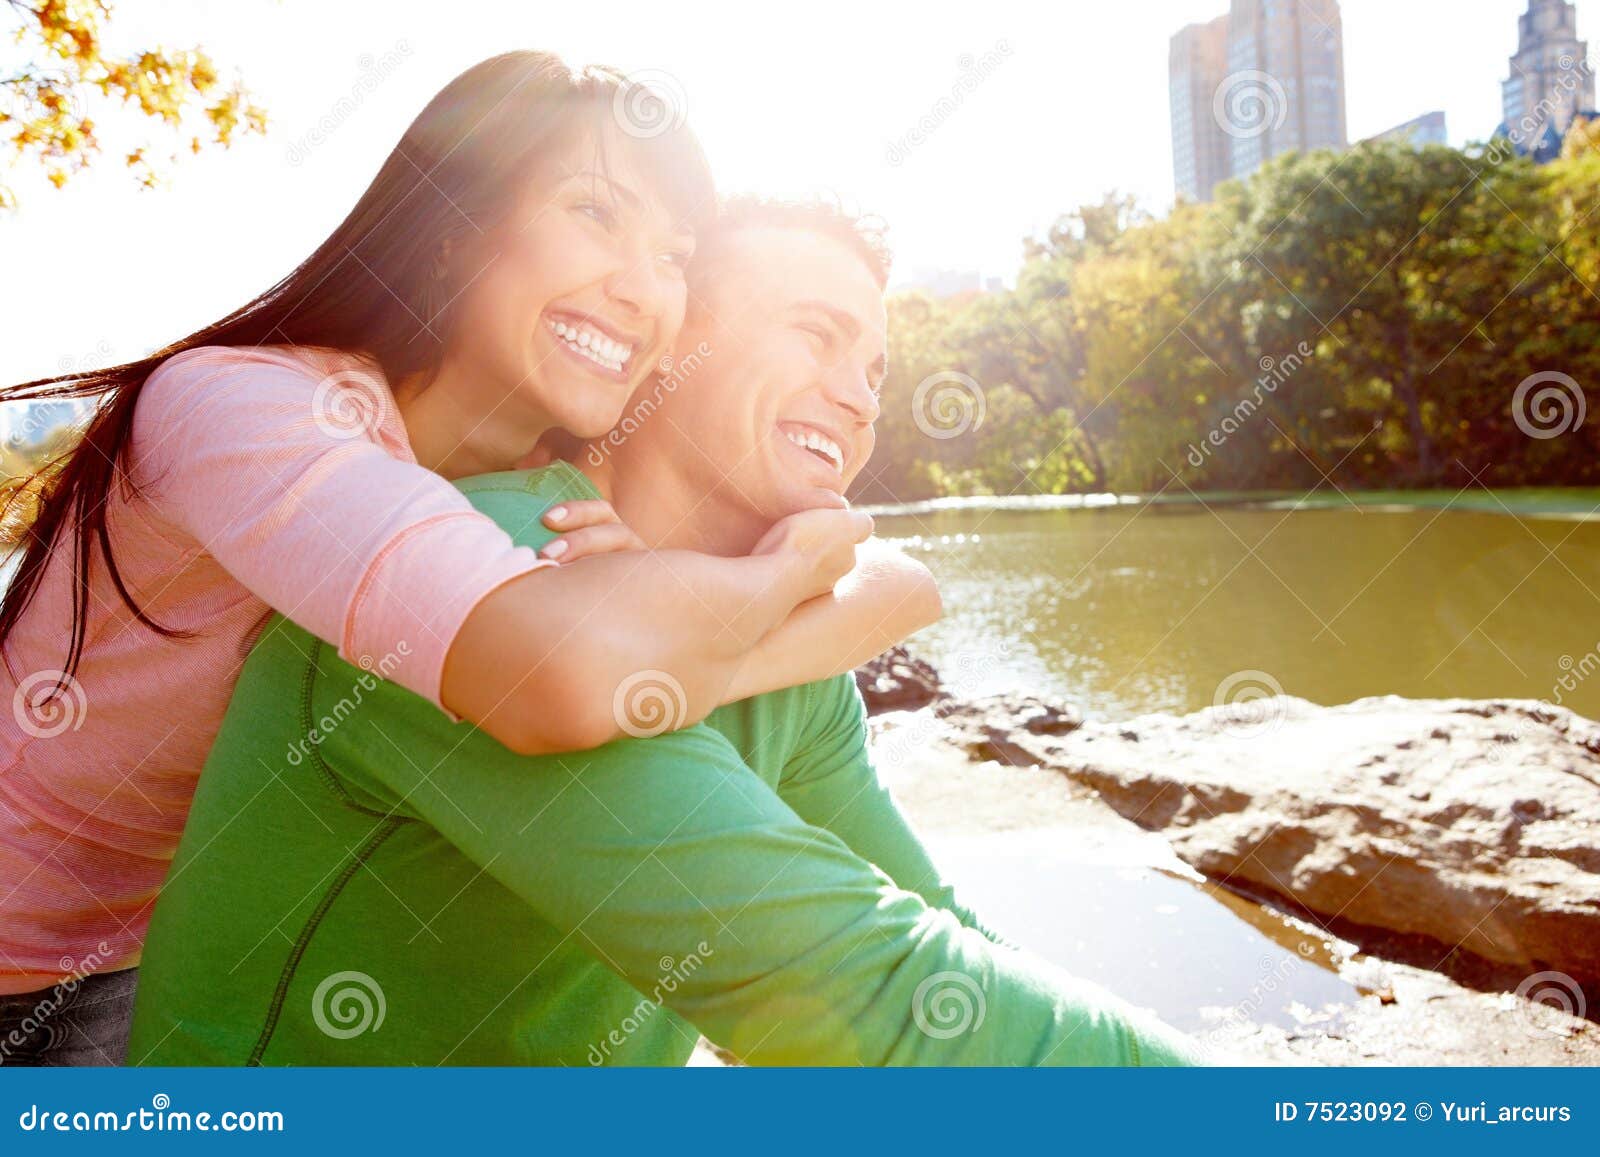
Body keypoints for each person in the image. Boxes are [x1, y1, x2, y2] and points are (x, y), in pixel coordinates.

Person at [0, 53, 930, 1064]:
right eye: (594, 212)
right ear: (451, 232)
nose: (636, 287)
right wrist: (772, 586)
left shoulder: (539, 481)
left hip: (159, 938)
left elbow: (899, 590)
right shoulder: (248, 408)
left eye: (671, 255)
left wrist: (773, 578)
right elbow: (551, 678)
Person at [129, 200, 1204, 1067]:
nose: (857, 398)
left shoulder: (796, 658)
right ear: (667, 344)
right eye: (817, 336)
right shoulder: (504, 577)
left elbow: (933, 931)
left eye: (875, 369)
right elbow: (871, 990)